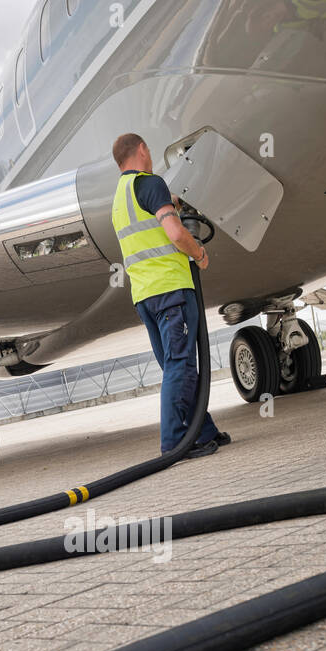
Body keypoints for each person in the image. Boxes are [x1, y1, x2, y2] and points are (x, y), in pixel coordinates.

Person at [110, 133, 229, 459]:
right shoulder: (150, 183)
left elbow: (148, 223)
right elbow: (175, 233)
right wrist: (199, 254)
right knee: (181, 366)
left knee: (177, 367)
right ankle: (174, 444)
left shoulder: (120, 198)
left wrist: (169, 201)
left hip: (145, 296)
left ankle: (203, 432)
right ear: (143, 150)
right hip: (171, 290)